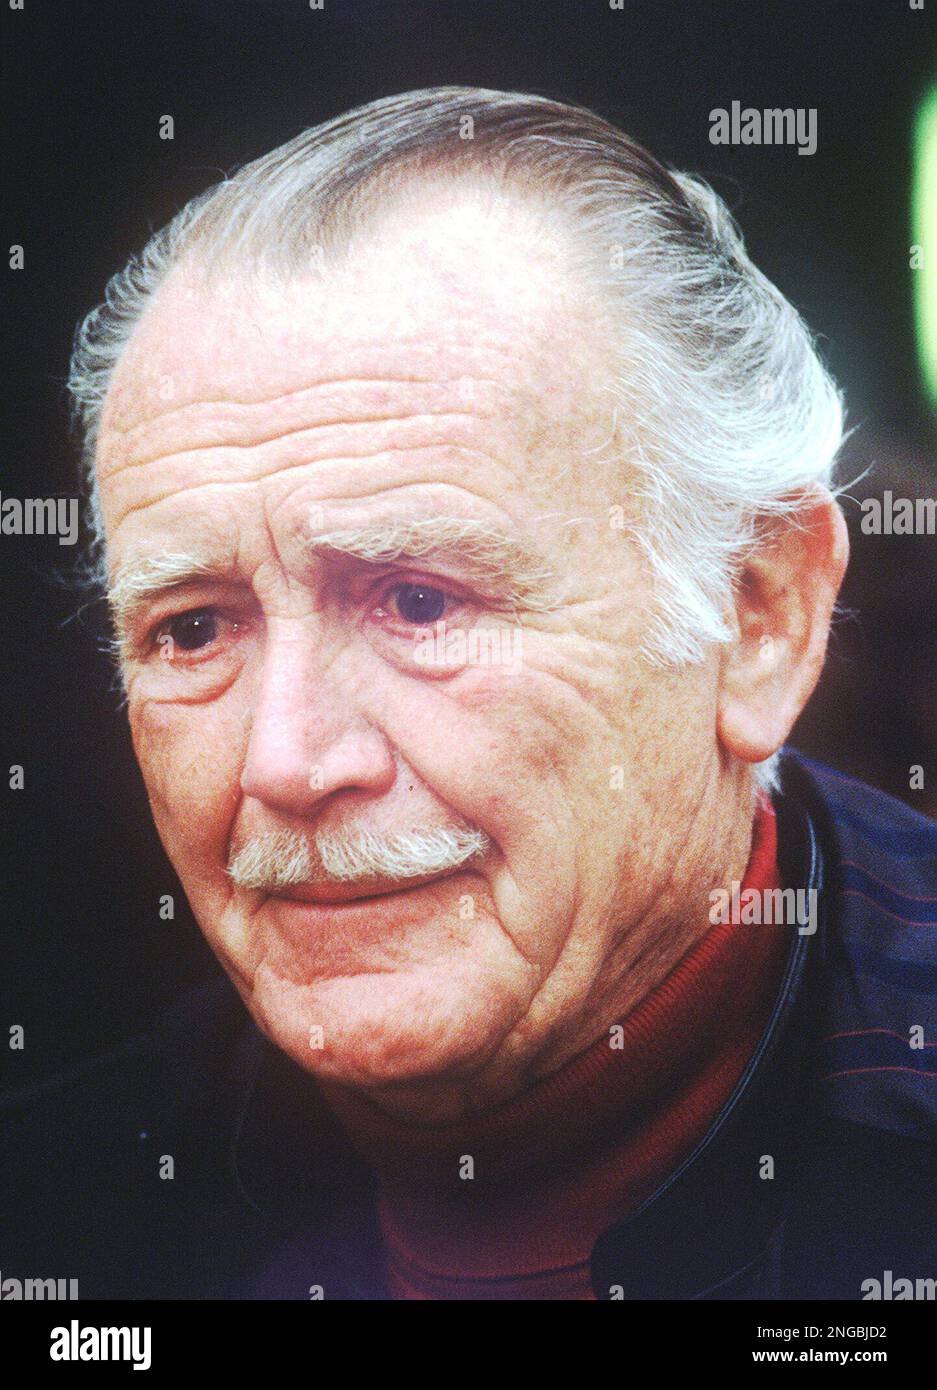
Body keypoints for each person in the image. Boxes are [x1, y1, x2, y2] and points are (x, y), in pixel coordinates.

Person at [2, 87, 935, 1301]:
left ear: (758, 618)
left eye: (420, 602)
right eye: (193, 629)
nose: (286, 761)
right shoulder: (56, 1209)